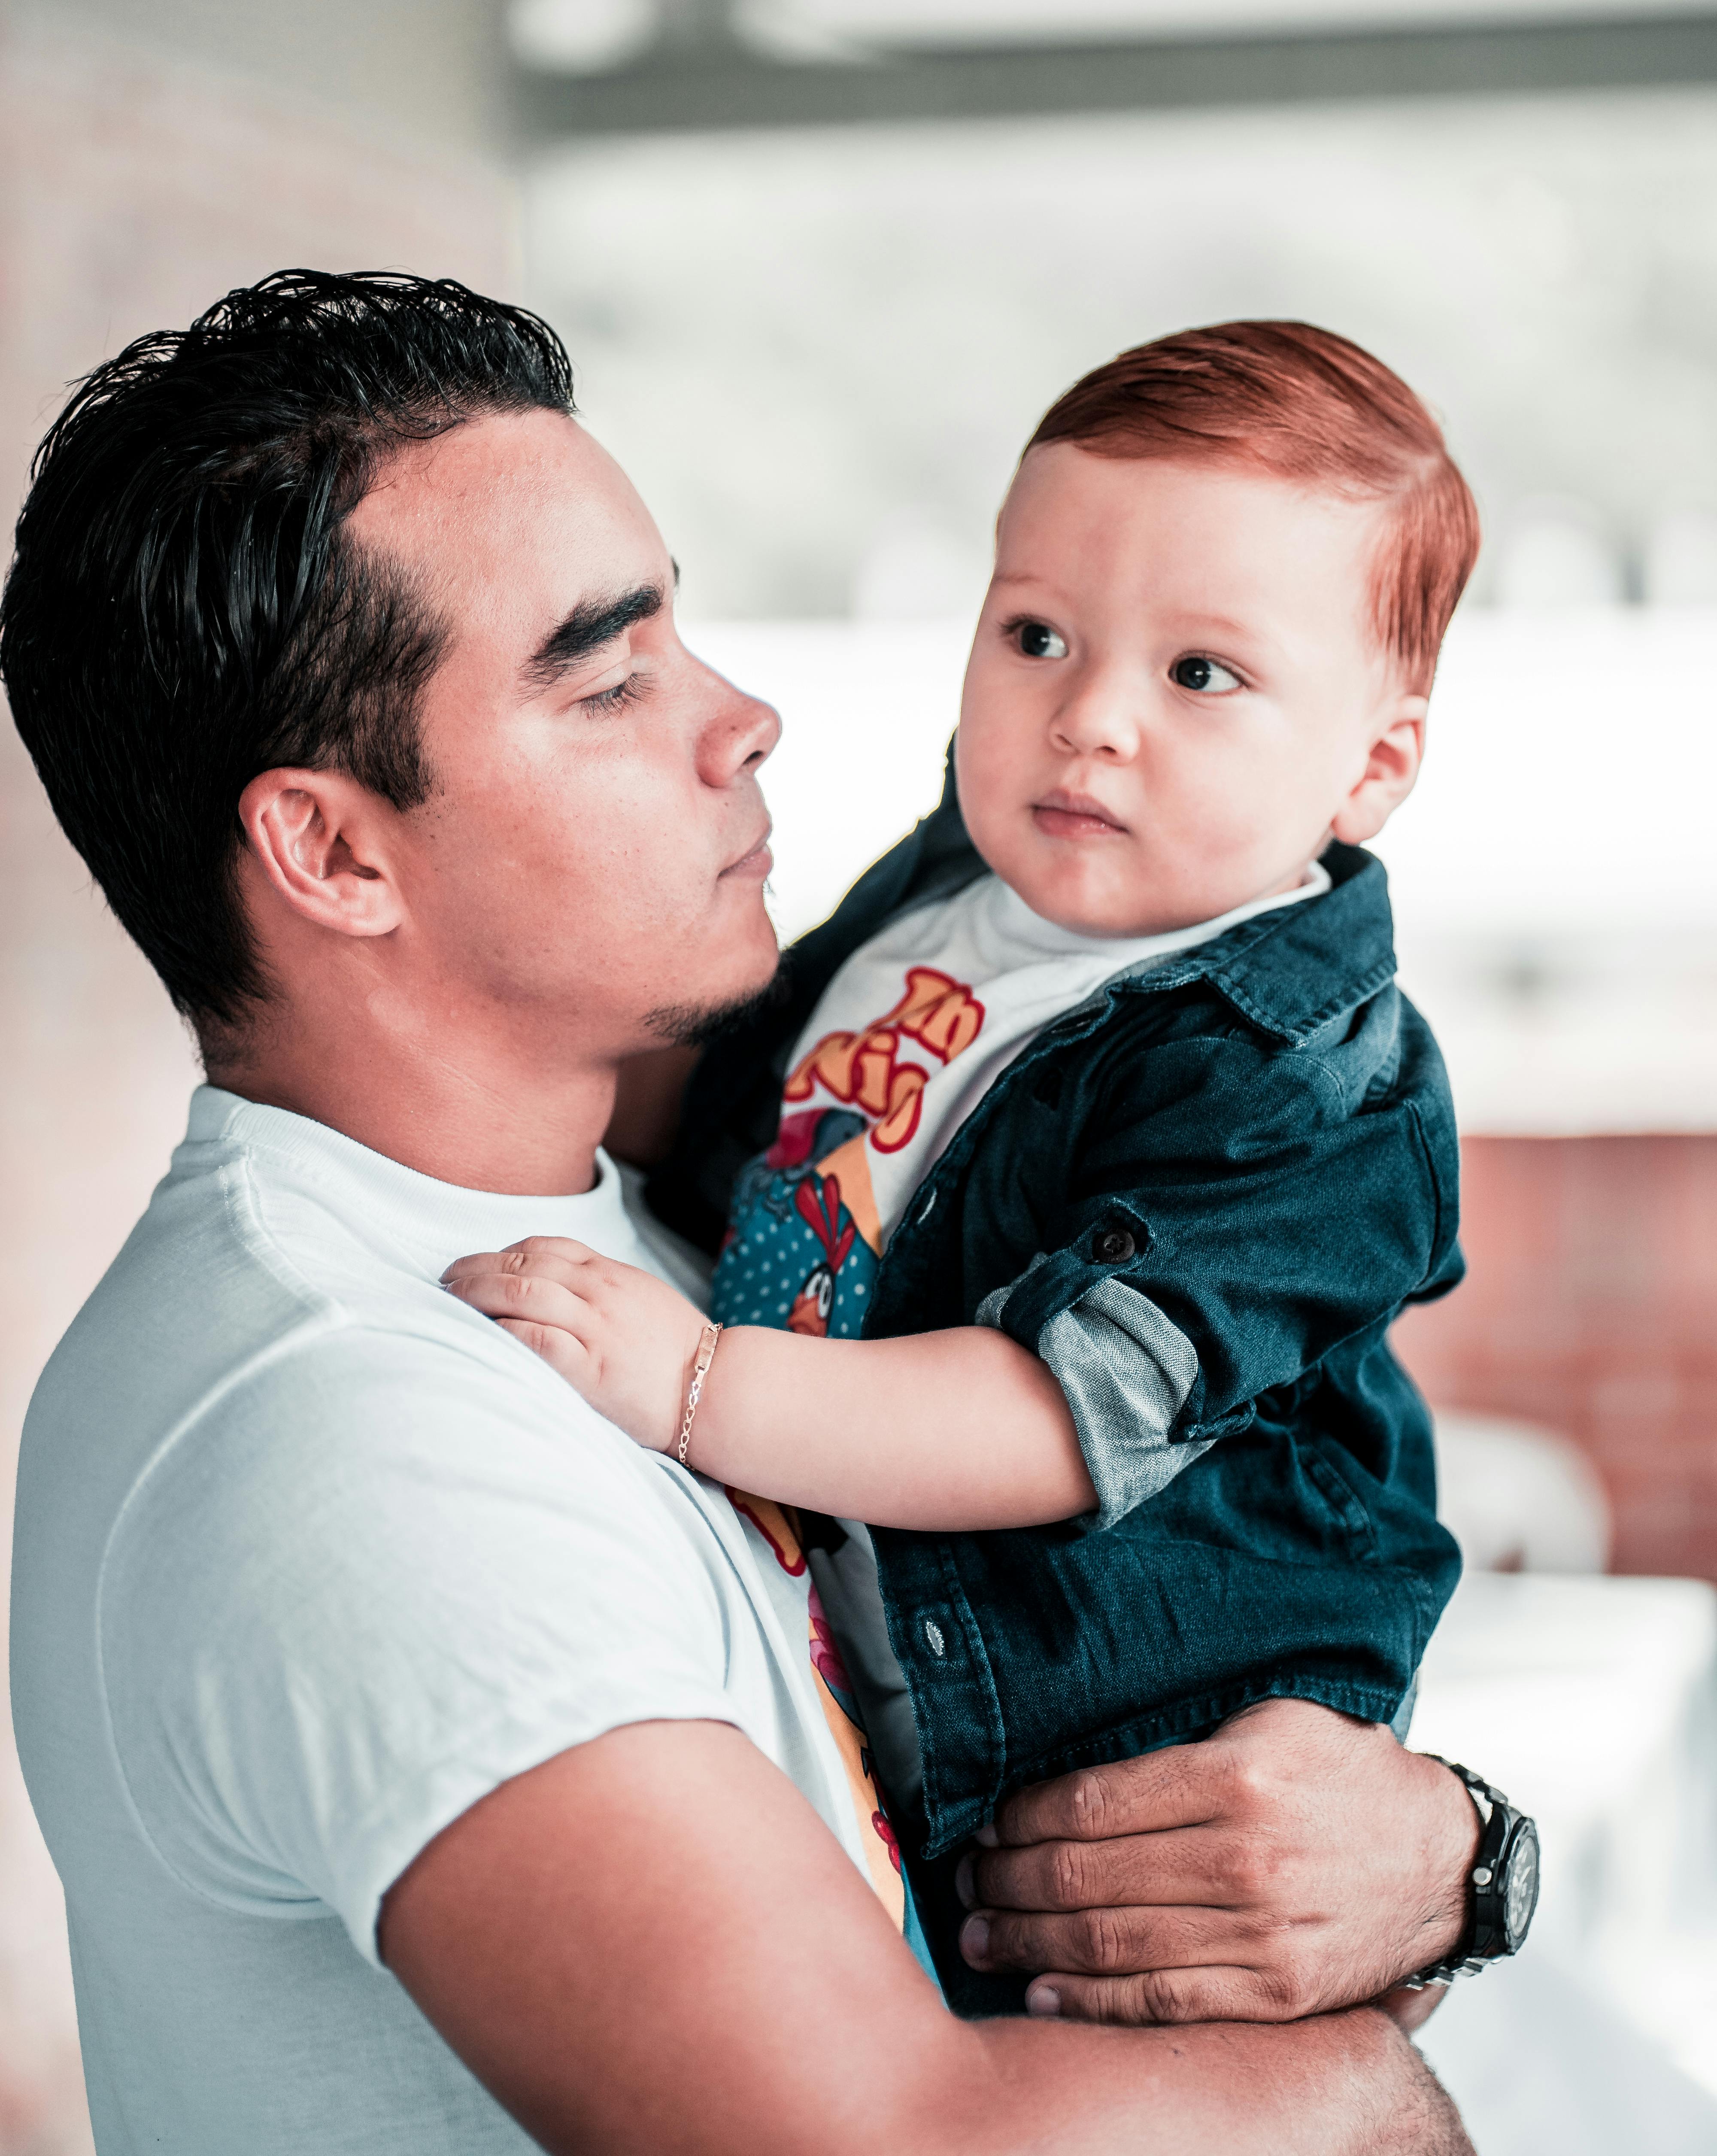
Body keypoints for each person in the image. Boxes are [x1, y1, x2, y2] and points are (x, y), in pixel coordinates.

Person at [1, 273, 1480, 2156]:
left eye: (685, 633)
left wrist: (1437, 1862)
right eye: (611, 677)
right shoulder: (358, 1443)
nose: (747, 719)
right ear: (335, 851)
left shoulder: (691, 1216)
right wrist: (1373, 2074)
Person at [439, 322, 1501, 2005]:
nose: (1087, 720)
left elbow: (1057, 1416)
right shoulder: (955, 890)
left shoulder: (1302, 1075)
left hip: (1116, 1782)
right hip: (891, 1704)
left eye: (1199, 674)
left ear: (1371, 766)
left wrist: (708, 1385)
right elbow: (750, 1103)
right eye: (1036, 634)